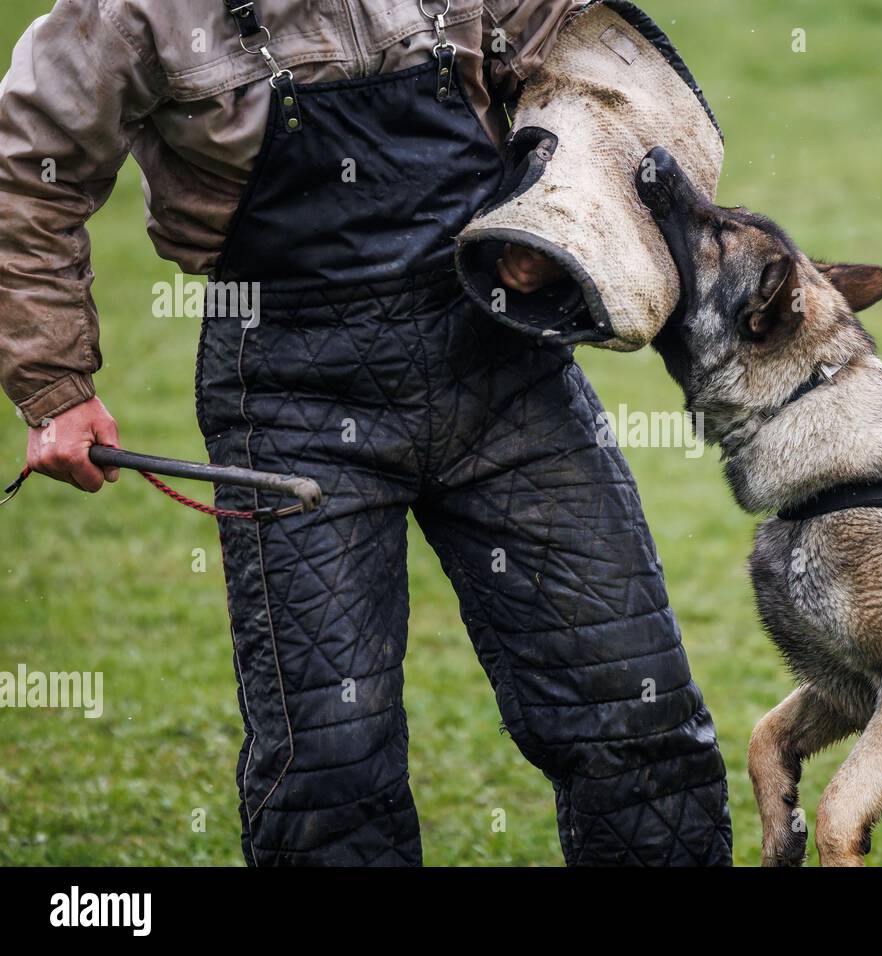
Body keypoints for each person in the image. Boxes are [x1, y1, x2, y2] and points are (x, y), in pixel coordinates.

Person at [0, 0, 731, 866]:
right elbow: (26, 176)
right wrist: (54, 386)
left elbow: (585, 61)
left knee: (637, 714)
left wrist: (559, 202)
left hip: (500, 362)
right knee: (331, 767)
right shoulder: (132, 13)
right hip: (293, 389)